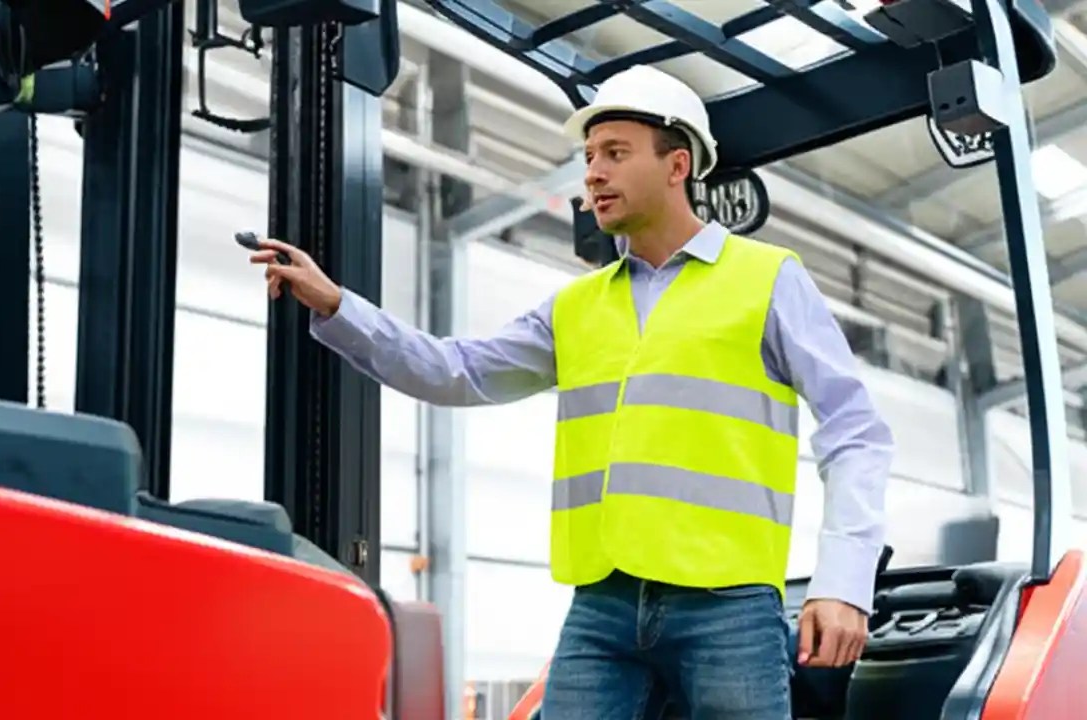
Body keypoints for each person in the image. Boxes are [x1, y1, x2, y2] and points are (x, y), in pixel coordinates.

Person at [250, 64, 893, 719]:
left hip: (728, 607)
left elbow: (856, 432)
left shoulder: (767, 280)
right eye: (589, 156)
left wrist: (843, 583)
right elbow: (457, 370)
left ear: (677, 167)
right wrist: (337, 306)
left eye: (615, 153)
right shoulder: (577, 307)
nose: (593, 173)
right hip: (604, 605)